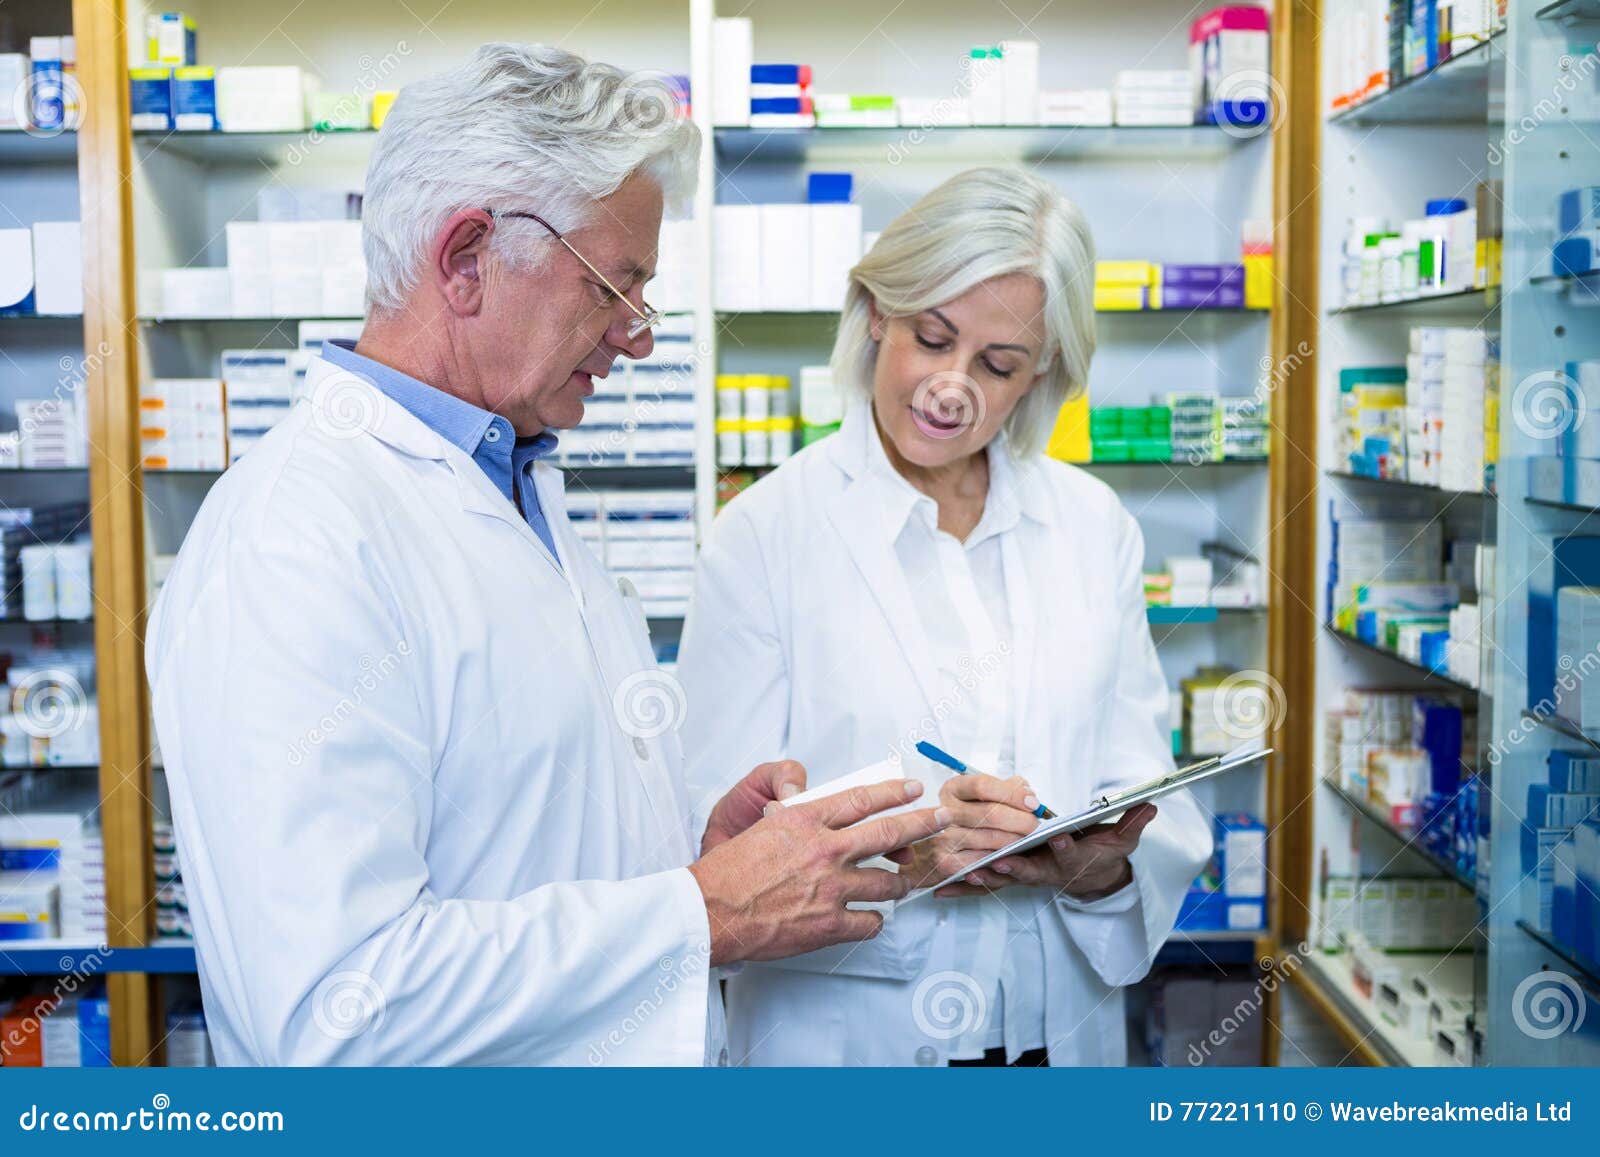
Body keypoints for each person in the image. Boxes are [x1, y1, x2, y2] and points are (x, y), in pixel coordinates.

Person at [144, 44, 946, 1067]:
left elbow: (516, 849)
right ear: (468, 254)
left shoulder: (518, 486)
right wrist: (702, 910)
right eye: (616, 286)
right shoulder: (292, 536)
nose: (638, 335)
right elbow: (334, 1011)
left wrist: (696, 858)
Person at [678, 167, 1215, 1067]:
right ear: (876, 313)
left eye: (998, 364)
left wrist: (1094, 866)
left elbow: (1142, 785)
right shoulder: (766, 534)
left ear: (1041, 373)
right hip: (849, 1048)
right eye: (932, 338)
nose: (950, 387)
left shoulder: (1092, 527)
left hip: (1055, 1034)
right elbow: (716, 838)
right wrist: (918, 854)